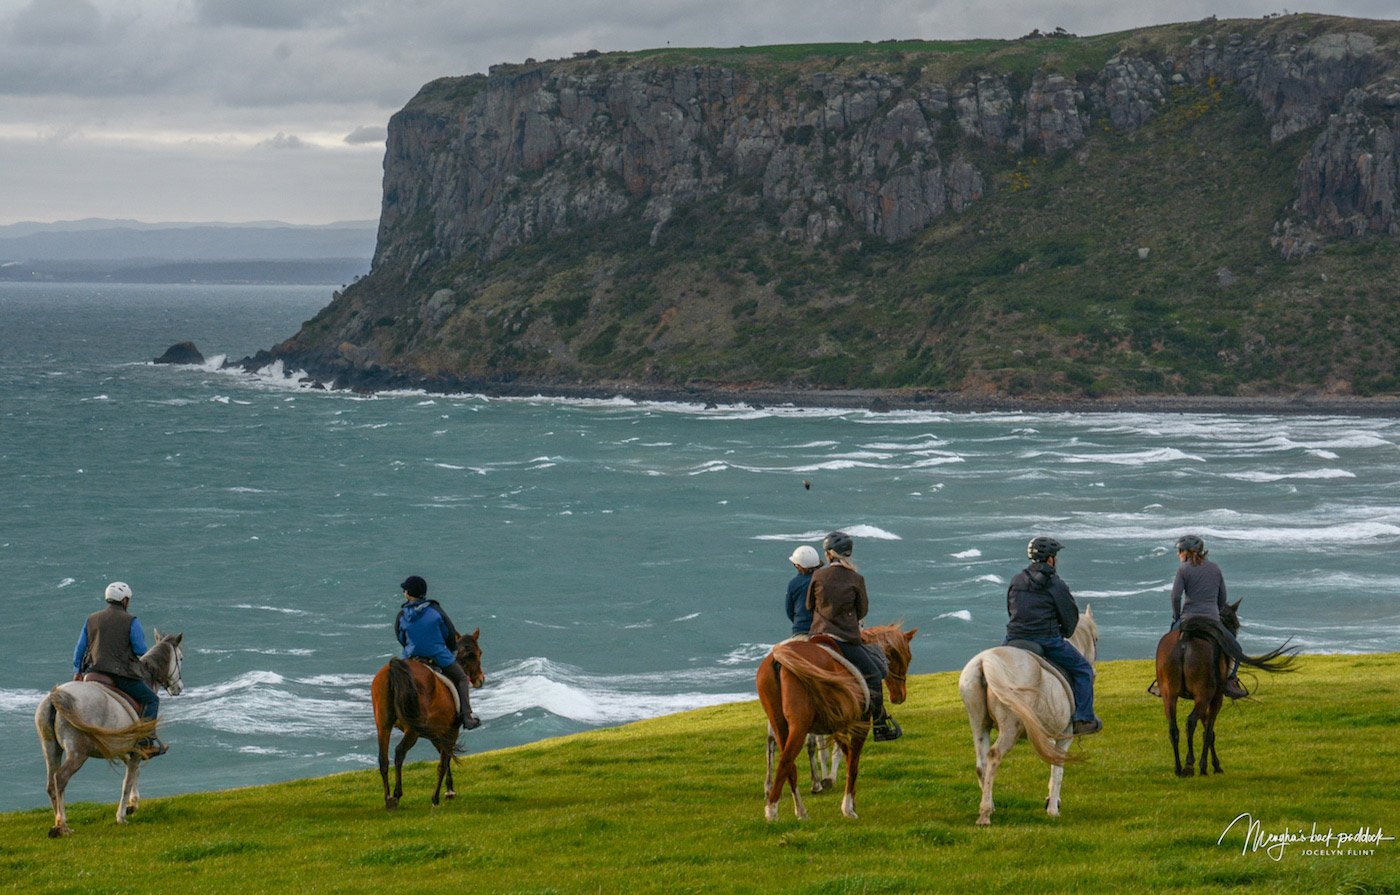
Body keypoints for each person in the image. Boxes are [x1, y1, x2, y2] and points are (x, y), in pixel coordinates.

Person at [806, 531, 901, 741]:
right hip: (844, 641)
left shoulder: (818, 575)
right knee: (875, 676)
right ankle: (879, 726)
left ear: (829, 555)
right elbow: (863, 610)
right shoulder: (856, 578)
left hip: (816, 637)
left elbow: (809, 605)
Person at [1004, 537, 1102, 736]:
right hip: (1046, 640)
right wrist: (1064, 633)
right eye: (1055, 557)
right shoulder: (1056, 585)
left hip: (1013, 639)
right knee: (1084, 670)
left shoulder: (1016, 580)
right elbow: (1070, 617)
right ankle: (1083, 718)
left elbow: (1011, 609)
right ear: (1050, 559)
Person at [73, 581, 167, 756]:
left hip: (93, 673)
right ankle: (145, 741)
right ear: (124, 600)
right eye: (128, 599)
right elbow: (140, 649)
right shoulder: (131, 621)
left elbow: (80, 648)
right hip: (119, 674)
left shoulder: (91, 619)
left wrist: (77, 672)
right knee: (152, 699)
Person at [1153, 535, 1248, 699]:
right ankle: (1230, 680)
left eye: (1180, 551)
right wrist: (1215, 613)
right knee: (1236, 649)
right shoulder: (1215, 569)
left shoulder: (1183, 570)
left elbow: (1175, 597)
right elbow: (1222, 598)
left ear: (1188, 552)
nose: (1178, 554)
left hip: (1187, 619)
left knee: (1168, 643)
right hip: (1212, 620)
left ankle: (1162, 682)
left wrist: (1177, 617)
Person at [394, 575, 480, 730]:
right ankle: (467, 717)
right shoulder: (436, 610)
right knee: (461, 678)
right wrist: (450, 649)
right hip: (437, 655)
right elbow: (449, 632)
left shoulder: (402, 615)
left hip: (411, 657)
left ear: (408, 593)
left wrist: (411, 649)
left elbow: (400, 637)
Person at [785, 545, 821, 637]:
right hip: (822, 630)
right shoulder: (825, 580)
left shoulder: (794, 583)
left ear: (798, 566)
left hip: (800, 630)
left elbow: (789, 611)